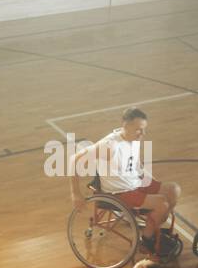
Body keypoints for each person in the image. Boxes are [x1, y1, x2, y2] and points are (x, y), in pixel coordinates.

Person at [69, 107, 181, 251]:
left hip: (135, 182)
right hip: (119, 192)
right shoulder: (110, 146)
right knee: (162, 204)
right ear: (126, 126)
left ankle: (153, 227)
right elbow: (74, 160)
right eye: (139, 129)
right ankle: (146, 240)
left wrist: (148, 179)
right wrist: (75, 193)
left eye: (144, 129)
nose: (143, 133)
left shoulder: (134, 138)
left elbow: (135, 162)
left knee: (174, 190)